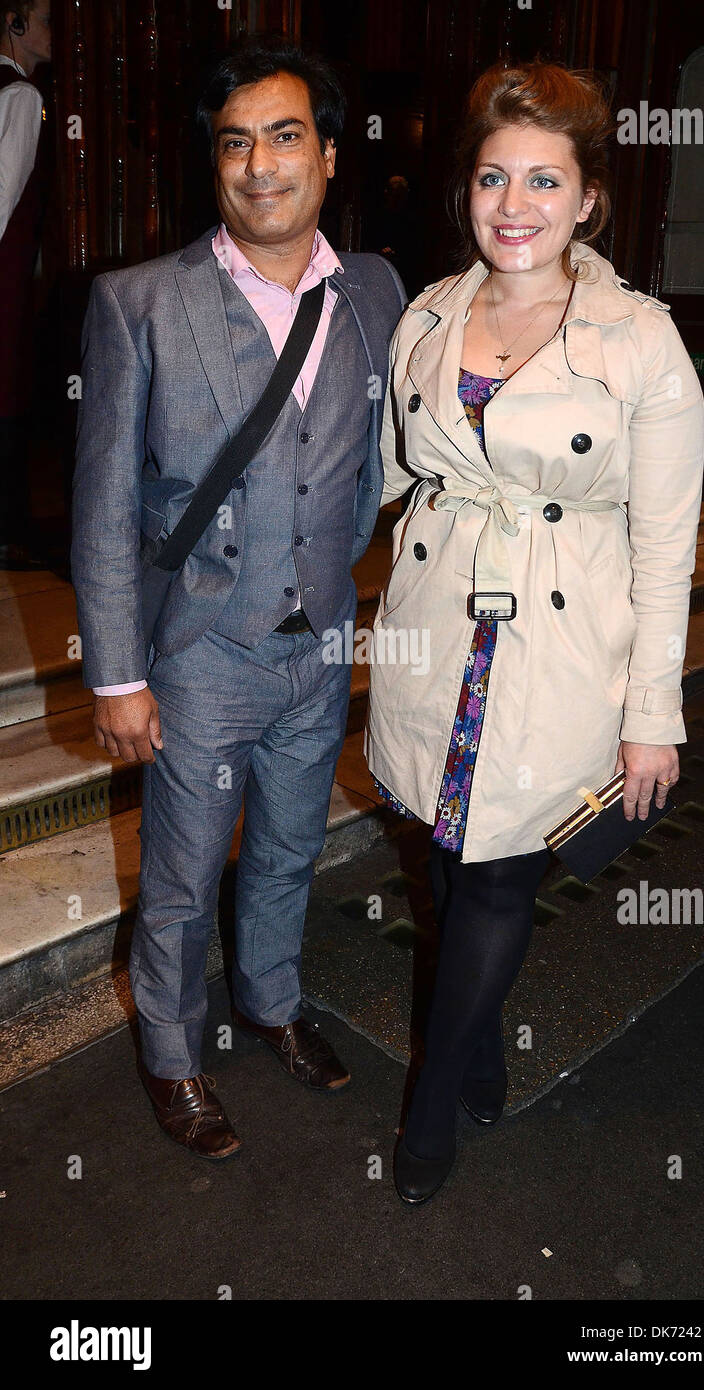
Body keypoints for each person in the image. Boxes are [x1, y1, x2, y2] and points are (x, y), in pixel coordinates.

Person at [365, 60, 704, 1204]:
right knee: (445, 861)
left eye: (543, 181)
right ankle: (473, 1039)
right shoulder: (426, 313)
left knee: (501, 872)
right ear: (466, 188)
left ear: (587, 198)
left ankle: (429, 1103)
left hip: (559, 646)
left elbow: (665, 545)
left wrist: (651, 715)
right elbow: (378, 474)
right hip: (436, 633)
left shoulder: (639, 341)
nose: (513, 205)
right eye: (492, 177)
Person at [72, 40, 405, 1160]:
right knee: (178, 878)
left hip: (320, 645)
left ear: (329, 153)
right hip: (203, 653)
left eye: (285, 136)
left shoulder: (374, 289)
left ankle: (270, 999)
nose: (260, 165)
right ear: (213, 162)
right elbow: (103, 505)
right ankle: (172, 1054)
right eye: (234, 143)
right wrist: (117, 674)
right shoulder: (138, 302)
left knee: (289, 848)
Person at [0, 0, 52, 565]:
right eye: (46, 20)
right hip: (5, 276)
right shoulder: (20, 95)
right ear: (15, 22)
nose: (54, 32)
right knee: (6, 388)